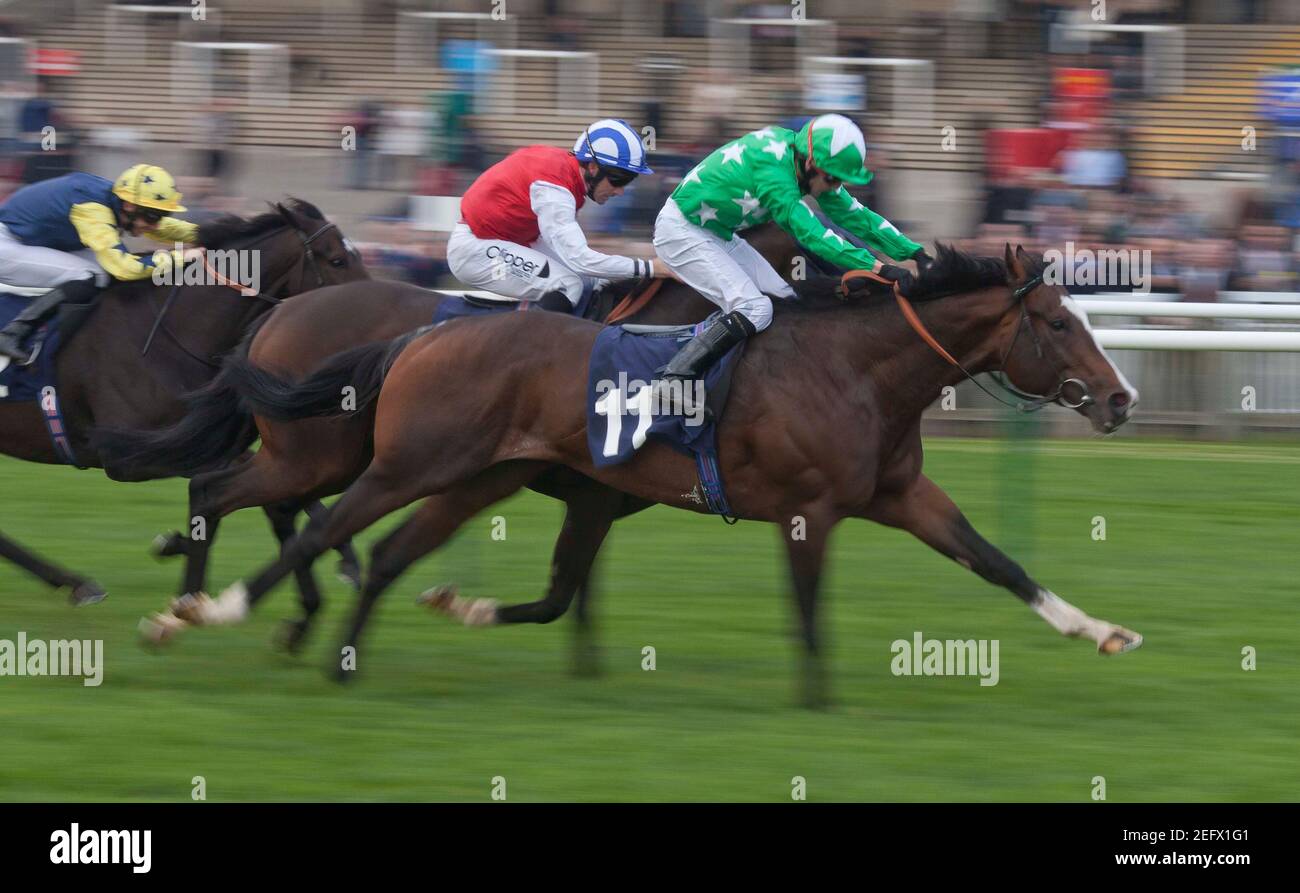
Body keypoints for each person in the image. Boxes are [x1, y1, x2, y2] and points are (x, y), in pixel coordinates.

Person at [651, 113, 930, 399]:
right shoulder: (774, 172)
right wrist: (877, 267)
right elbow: (812, 234)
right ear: (811, 164)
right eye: (834, 179)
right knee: (755, 309)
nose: (836, 188)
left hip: (717, 234)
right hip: (681, 232)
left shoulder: (805, 162)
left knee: (787, 303)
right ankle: (673, 379)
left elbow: (856, 215)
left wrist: (915, 252)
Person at [447, 118, 674, 314]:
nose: (620, 190)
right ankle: (522, 353)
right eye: (619, 179)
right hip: (475, 249)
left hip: (503, 239)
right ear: (593, 168)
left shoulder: (565, 172)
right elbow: (582, 259)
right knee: (568, 285)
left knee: (596, 282)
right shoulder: (554, 190)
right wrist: (651, 268)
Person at [0, 163, 201, 363]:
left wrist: (213, 233)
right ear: (129, 206)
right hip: (7, 244)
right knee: (89, 275)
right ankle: (12, 333)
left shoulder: (120, 202)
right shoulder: (93, 209)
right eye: (153, 216)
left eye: (162, 215)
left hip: (26, 241)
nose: (156, 224)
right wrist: (180, 258)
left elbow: (162, 228)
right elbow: (124, 269)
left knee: (103, 273)